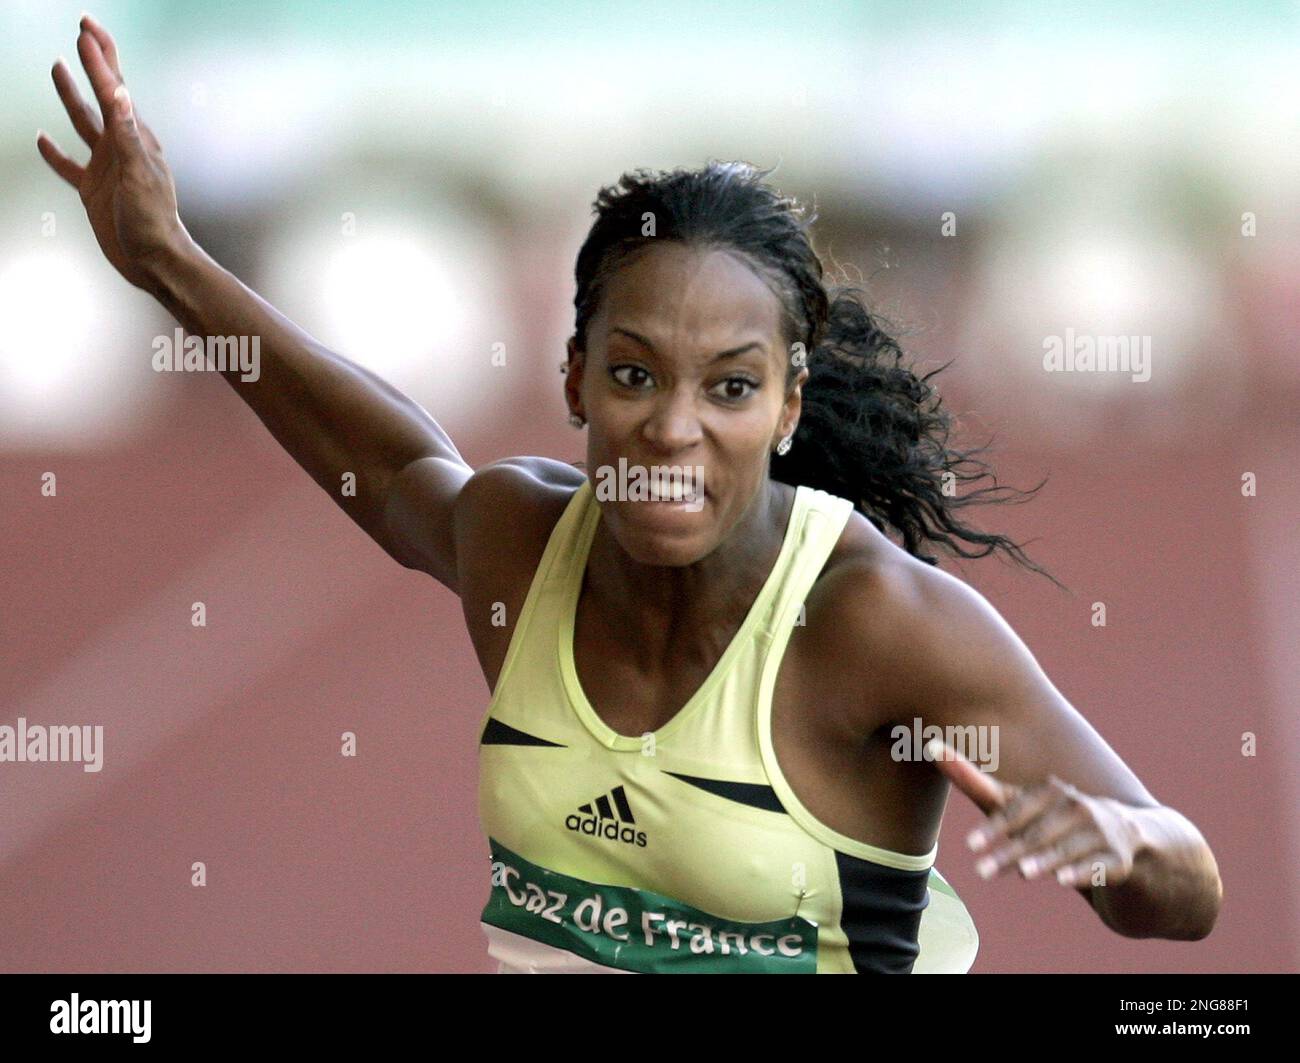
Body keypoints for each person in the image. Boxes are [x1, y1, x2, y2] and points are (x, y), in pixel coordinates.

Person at [39, 14, 1222, 974]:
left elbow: (1181, 895)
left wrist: (1127, 840)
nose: (671, 424)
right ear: (573, 381)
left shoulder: (870, 624)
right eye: (632, 373)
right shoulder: (516, 546)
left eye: (731, 386)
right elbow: (397, 464)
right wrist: (166, 260)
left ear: (788, 407)